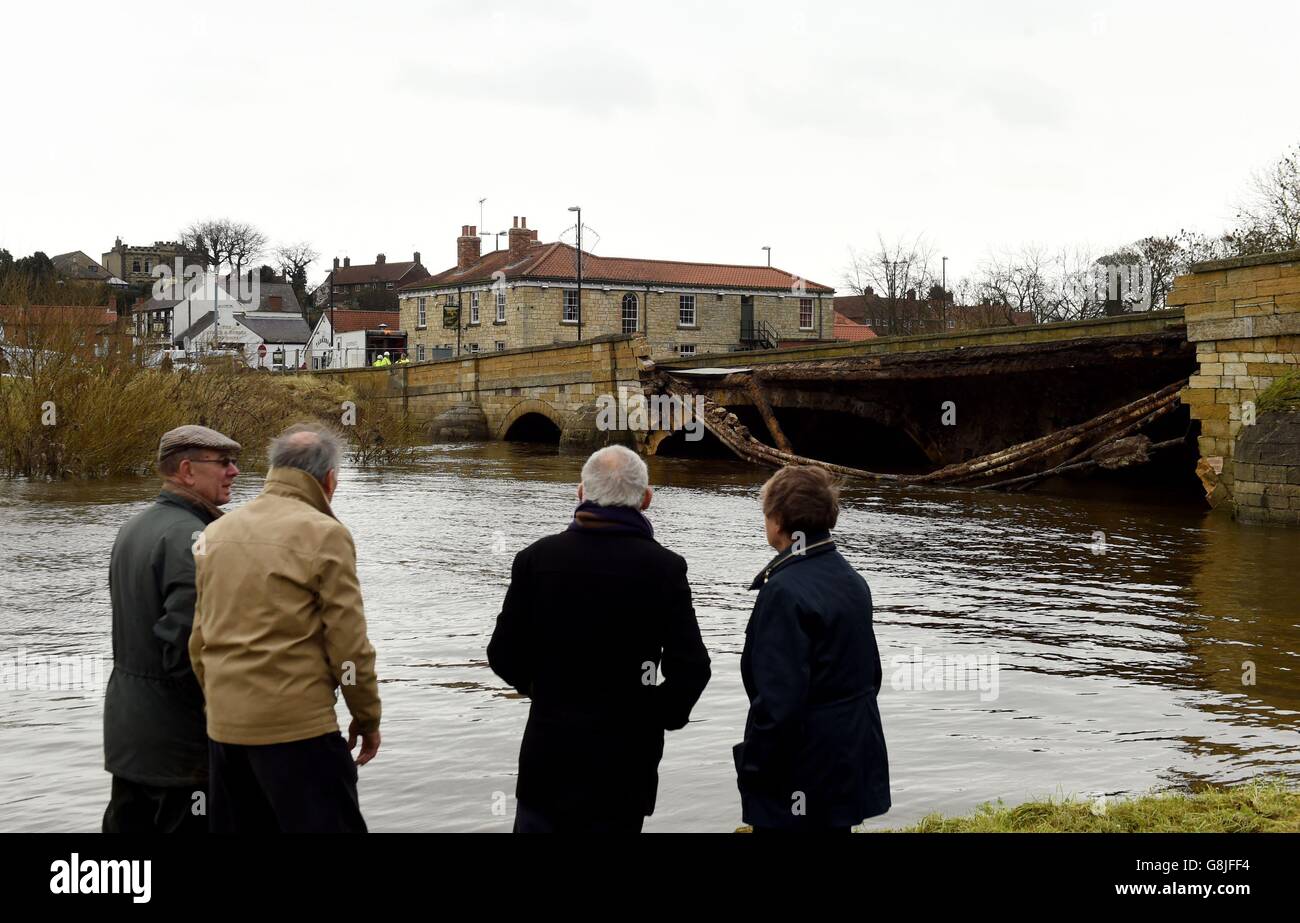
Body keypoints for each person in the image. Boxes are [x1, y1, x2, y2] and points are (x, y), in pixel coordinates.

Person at [488, 445, 712, 833]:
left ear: (580, 493)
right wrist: (654, 714)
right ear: (646, 499)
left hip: (549, 757)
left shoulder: (536, 559)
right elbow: (692, 669)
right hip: (624, 766)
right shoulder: (665, 569)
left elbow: (503, 654)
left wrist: (542, 690)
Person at [190, 424, 381, 832]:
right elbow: (348, 645)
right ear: (328, 480)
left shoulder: (215, 533)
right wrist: (366, 716)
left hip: (225, 733)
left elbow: (199, 641)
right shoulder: (325, 534)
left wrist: (222, 705)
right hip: (299, 732)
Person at [734, 465, 890, 833]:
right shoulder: (851, 579)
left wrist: (753, 768)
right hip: (847, 755)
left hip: (800, 765)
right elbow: (871, 674)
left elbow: (778, 701)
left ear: (779, 519)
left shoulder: (784, 590)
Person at [103, 424, 241, 833]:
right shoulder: (195, 540)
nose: (234, 471)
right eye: (223, 463)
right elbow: (185, 651)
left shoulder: (135, 527)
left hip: (129, 736)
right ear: (186, 470)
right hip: (180, 750)